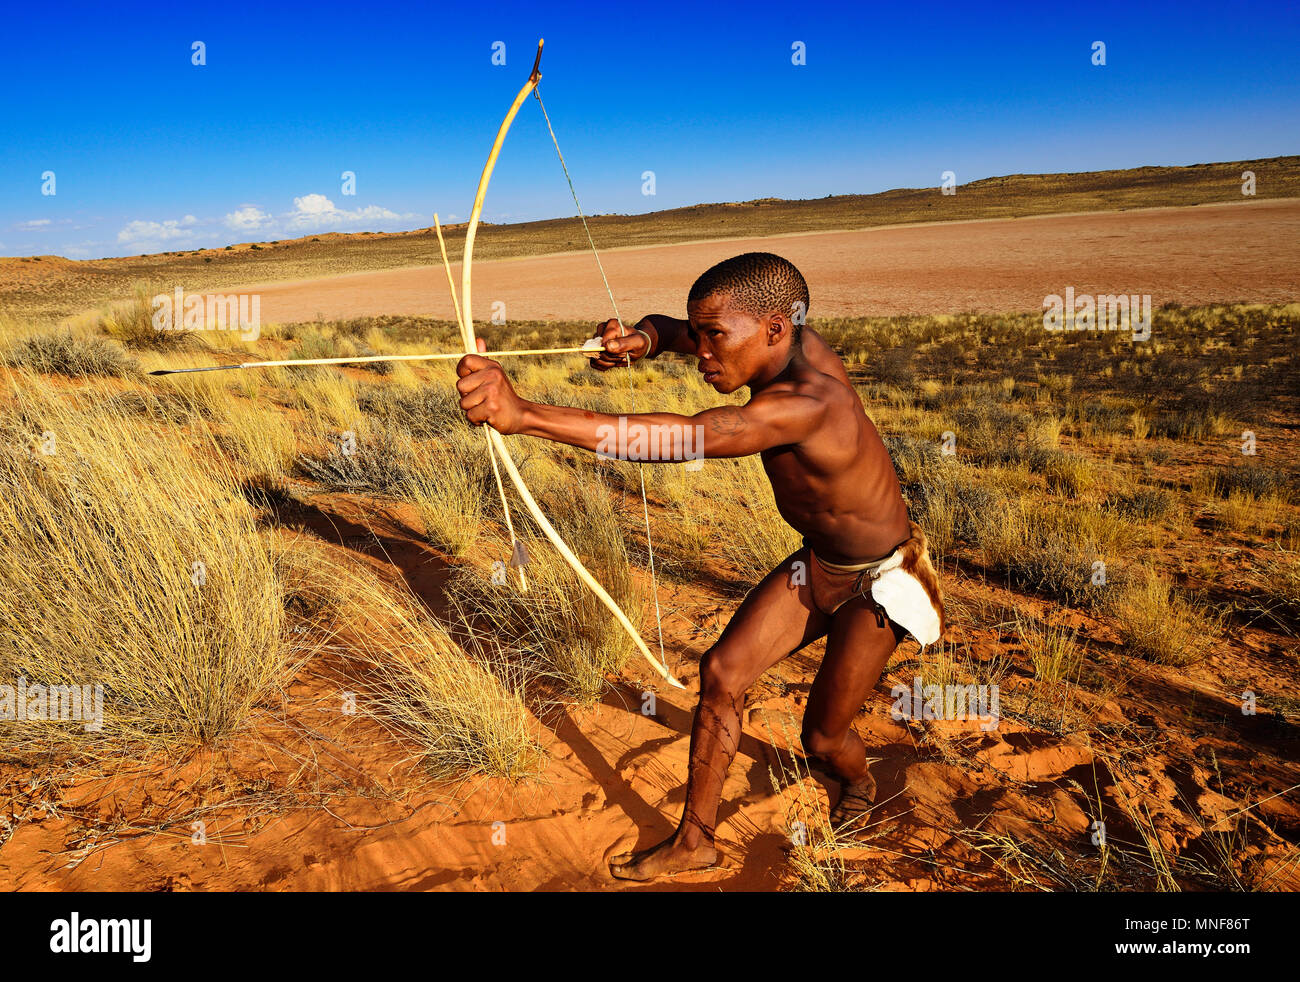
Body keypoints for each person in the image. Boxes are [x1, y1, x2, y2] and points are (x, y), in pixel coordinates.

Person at [456, 252, 944, 880]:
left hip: (879, 582)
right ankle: (696, 841)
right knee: (721, 673)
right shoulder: (781, 337)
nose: (703, 353)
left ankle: (859, 781)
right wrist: (646, 338)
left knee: (822, 740)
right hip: (819, 564)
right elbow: (679, 328)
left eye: (715, 338)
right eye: (700, 334)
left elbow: (683, 438)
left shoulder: (810, 402)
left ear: (774, 329)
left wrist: (524, 415)